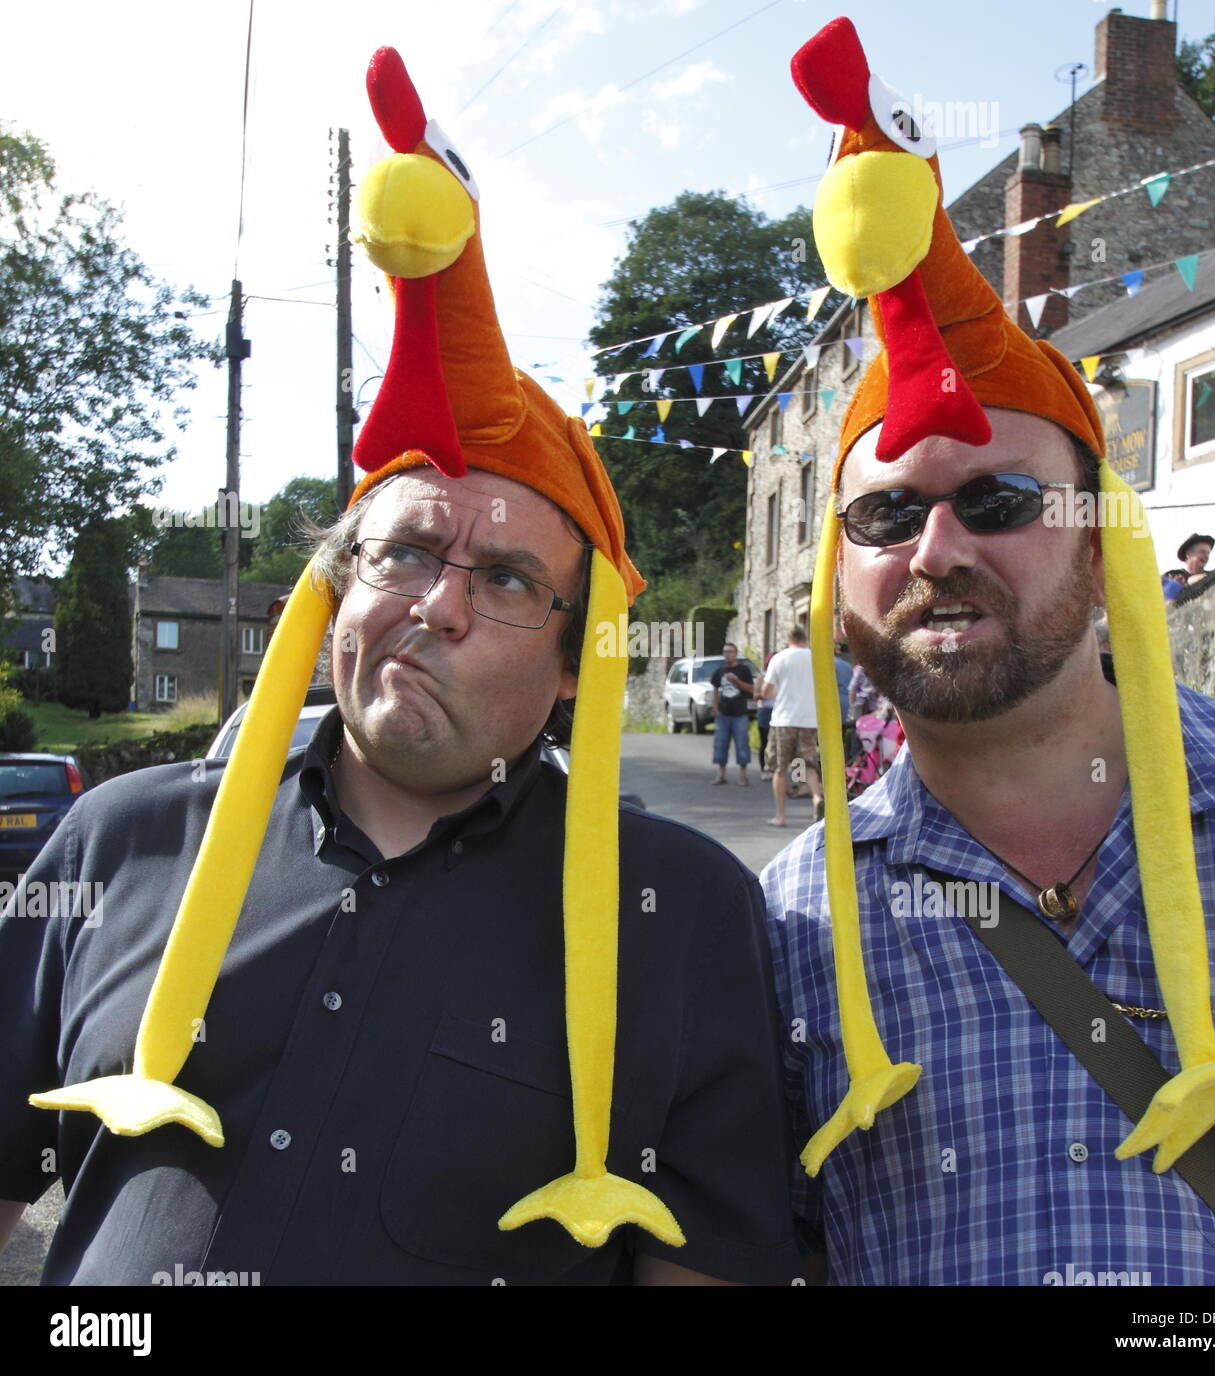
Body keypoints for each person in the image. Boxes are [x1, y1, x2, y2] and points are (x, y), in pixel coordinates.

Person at [0, 53, 800, 1287]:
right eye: (407, 549)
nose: (437, 601)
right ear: (333, 588)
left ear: (580, 655)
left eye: (506, 579)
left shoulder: (682, 912)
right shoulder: (117, 844)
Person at [764, 15, 1215, 1287]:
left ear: (1101, 536)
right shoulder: (787, 921)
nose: (937, 547)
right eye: (885, 515)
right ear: (843, 581)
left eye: (999, 500)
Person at [760, 625, 823, 828]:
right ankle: (816, 798)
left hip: (784, 719)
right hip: (809, 719)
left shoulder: (779, 658)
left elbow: (767, 692)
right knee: (807, 763)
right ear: (805, 638)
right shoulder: (815, 657)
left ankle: (781, 816)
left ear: (788, 638)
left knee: (780, 768)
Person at [709, 642, 753, 785]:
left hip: (740, 713)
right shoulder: (719, 671)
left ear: (736, 653)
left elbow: (751, 689)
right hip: (723, 714)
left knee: (742, 744)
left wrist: (737, 681)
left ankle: (743, 776)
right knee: (720, 744)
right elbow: (715, 689)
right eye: (725, 651)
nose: (728, 654)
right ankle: (721, 775)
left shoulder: (744, 670)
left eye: (730, 651)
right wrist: (715, 707)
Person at [756, 652, 775, 781]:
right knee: (766, 742)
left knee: (793, 749)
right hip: (767, 712)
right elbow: (757, 694)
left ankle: (798, 779)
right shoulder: (763, 677)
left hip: (784, 713)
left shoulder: (786, 677)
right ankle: (766, 769)